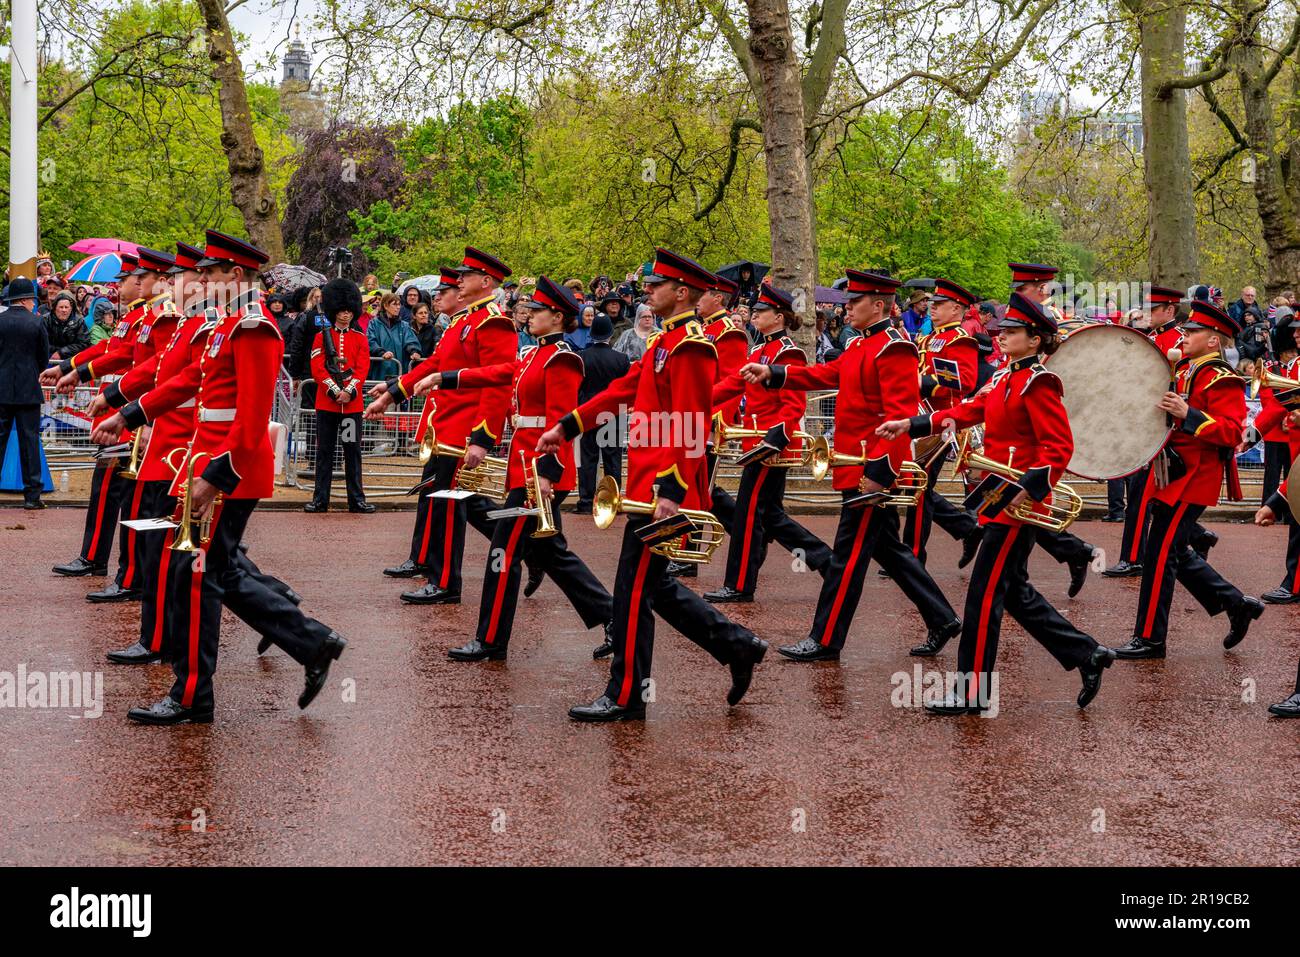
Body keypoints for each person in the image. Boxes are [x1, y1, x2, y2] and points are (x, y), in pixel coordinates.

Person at [92, 229, 347, 725]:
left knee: (199, 574)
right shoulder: (228, 324)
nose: (199, 281)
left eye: (208, 273)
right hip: (205, 459)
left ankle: (193, 695)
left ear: (235, 276)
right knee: (217, 572)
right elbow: (189, 381)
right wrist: (131, 414)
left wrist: (217, 476)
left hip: (226, 467)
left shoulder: (253, 327)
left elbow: (250, 421)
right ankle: (311, 642)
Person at [536, 248, 768, 721]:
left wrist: (671, 491)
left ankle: (626, 695)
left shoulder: (692, 346)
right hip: (646, 485)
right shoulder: (664, 341)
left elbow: (691, 422)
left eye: (656, 285)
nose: (647, 291)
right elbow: (622, 390)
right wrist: (569, 425)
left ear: (681, 292)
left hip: (664, 488)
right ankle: (738, 645)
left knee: (633, 592)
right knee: (654, 588)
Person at [878, 292, 1117, 714]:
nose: (1001, 337)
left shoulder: (1039, 382)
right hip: (999, 496)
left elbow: (1059, 447)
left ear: (1036, 339)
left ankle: (972, 692)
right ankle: (1087, 654)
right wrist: (911, 424)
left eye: (1012, 331)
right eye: (1002, 330)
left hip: (1016, 503)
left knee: (983, 596)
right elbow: (970, 410)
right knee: (1015, 594)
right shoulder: (1008, 377)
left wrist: (1031, 486)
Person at [740, 269, 961, 663]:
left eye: (854, 303)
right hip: (853, 463)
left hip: (869, 471)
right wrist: (774, 373)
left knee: (847, 556)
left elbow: (901, 416)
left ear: (878, 305)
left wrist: (878, 475)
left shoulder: (894, 348)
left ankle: (825, 638)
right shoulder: (862, 344)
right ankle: (941, 618)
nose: (847, 309)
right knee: (889, 551)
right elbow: (825, 374)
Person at [413, 276, 615, 661]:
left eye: (537, 311)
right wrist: (447, 377)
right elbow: (496, 374)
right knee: (553, 554)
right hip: (521, 466)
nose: (529, 315)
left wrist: (547, 474)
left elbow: (562, 421)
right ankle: (614, 618)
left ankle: (491, 639)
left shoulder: (564, 359)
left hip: (538, 473)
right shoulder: (531, 354)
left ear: (556, 316)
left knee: (503, 553)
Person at [1112, 299, 1264, 661]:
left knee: (1160, 553)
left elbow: (1231, 432)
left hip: (1194, 476)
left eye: (1194, 331)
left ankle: (1150, 638)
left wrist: (1189, 413)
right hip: (1172, 472)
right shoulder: (1184, 370)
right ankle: (1235, 603)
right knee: (1174, 550)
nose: (1186, 334)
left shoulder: (1220, 377)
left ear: (1213, 340)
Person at [365, 248, 516, 605]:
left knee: (452, 508)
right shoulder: (464, 322)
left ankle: (447, 581)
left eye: (466, 276)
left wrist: (482, 437)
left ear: (487, 282)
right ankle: (442, 570)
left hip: (462, 430)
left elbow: (497, 385)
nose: (459, 281)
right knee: (446, 503)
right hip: (444, 427)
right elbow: (434, 364)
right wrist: (391, 393)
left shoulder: (492, 321)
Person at [703, 284, 831, 603]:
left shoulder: (787, 352)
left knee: (747, 513)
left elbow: (794, 405)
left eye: (761, 312)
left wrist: (778, 434)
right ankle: (827, 561)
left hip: (770, 445)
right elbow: (734, 385)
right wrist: (695, 402)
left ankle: (740, 584)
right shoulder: (760, 351)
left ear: (779, 317)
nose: (755, 316)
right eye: (755, 311)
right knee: (771, 516)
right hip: (756, 441)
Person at [43, 253, 149, 591]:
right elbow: (108, 347)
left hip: (132, 410)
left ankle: (121, 571)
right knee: (105, 489)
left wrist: (75, 371)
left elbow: (123, 357)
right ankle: (95, 557)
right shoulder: (132, 317)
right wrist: (69, 365)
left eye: (125, 280)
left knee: (123, 494)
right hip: (119, 406)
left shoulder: (150, 317)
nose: (119, 286)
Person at [1104, 285, 1219, 578]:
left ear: (1170, 310)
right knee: (1147, 497)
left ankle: (1133, 558)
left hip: (1164, 430)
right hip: (1144, 423)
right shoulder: (1150, 338)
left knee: (1142, 497)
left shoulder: (1179, 342)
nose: (1146, 314)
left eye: (1153, 309)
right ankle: (1198, 536)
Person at [1005, 264, 1096, 598]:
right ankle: (1071, 554)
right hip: (1017, 412)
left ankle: (1020, 587)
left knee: (1022, 506)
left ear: (1041, 289)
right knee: (1015, 511)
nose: (1016, 294)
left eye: (1023, 289)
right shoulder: (1018, 320)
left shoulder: (1052, 319)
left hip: (1042, 413)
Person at [902, 278, 983, 569]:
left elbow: (965, 380)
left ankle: (911, 555)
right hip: (921, 417)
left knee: (918, 486)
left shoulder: (960, 339)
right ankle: (966, 528)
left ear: (957, 309)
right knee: (916, 485)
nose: (932, 308)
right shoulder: (928, 337)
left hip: (942, 422)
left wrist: (926, 383)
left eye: (939, 305)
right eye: (932, 304)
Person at [305, 279, 373, 514]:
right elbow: (317, 368)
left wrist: (349, 390)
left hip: (351, 408)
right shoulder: (320, 338)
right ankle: (320, 499)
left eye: (349, 311)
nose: (346, 315)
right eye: (342, 311)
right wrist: (335, 391)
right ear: (335, 311)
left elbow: (362, 368)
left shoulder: (360, 338)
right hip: (328, 405)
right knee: (325, 452)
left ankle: (357, 499)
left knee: (352, 453)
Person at [0, 278, 51, 509]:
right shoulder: (36, 323)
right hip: (28, 389)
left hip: (1, 388)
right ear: (25, 299)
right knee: (29, 441)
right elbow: (43, 357)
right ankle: (32, 496)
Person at [572, 312, 629, 517]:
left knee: (588, 459)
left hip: (588, 412)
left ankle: (586, 501)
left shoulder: (581, 357)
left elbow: (577, 387)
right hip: (613, 413)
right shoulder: (621, 359)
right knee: (613, 459)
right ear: (610, 334)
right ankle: (612, 500)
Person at [367, 292, 419, 380]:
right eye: (395, 304)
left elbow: (410, 340)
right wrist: (382, 353)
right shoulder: (374, 324)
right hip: (380, 369)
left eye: (399, 304)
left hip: (400, 369)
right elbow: (370, 341)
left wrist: (414, 351)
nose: (398, 307)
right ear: (386, 306)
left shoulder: (404, 325)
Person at [44, 291, 90, 362]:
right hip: (48, 357)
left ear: (71, 309)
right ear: (55, 308)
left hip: (71, 359)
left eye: (66, 307)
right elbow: (41, 342)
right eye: (61, 307)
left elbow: (84, 343)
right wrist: (55, 352)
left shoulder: (79, 321)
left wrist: (61, 352)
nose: (64, 310)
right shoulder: (45, 320)